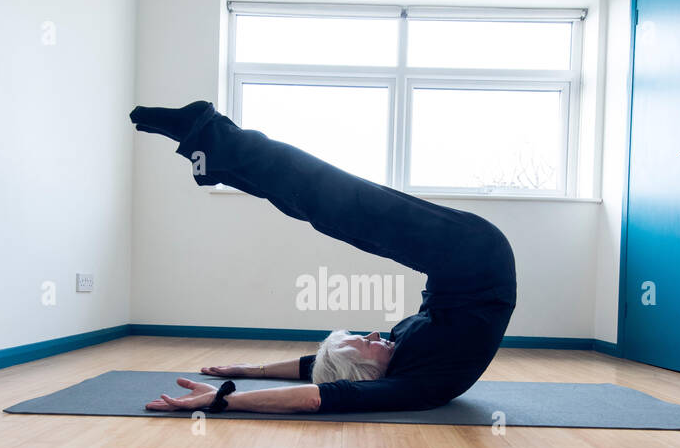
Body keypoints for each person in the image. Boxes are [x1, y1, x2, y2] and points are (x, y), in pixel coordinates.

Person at [130, 101, 516, 415]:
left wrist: (247, 370)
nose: (374, 334)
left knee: (321, 209)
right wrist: (223, 400)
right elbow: (317, 395)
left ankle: (210, 152)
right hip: (474, 256)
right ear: (361, 375)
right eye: (363, 342)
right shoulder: (414, 384)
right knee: (336, 200)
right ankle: (210, 136)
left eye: (361, 340)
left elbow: (313, 367)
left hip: (459, 259)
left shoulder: (390, 360)